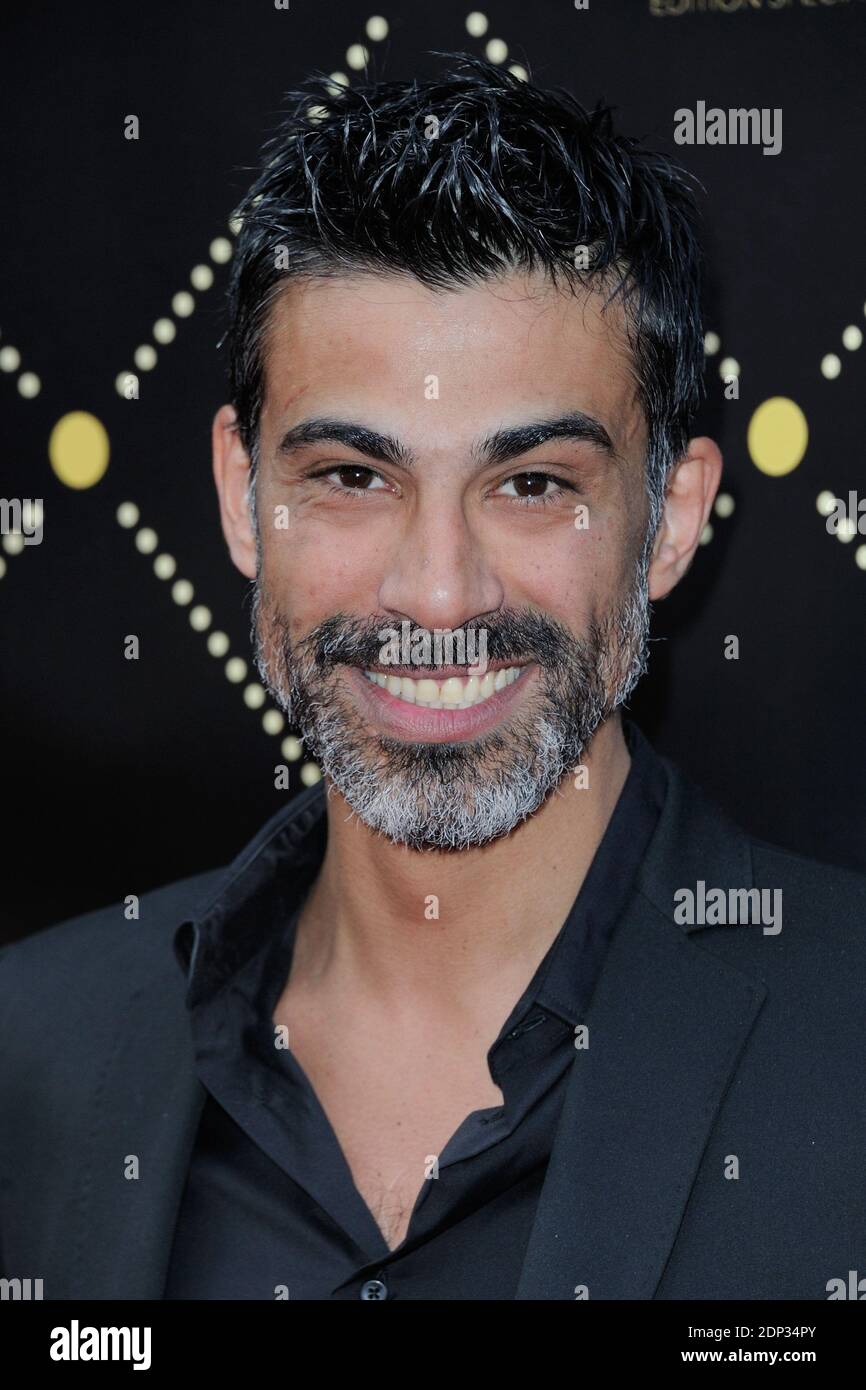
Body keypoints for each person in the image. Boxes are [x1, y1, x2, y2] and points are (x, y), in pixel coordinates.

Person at [2, 54, 864, 1302]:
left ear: (671, 518)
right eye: (354, 475)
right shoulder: (30, 1054)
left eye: (531, 485)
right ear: (244, 500)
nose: (439, 595)